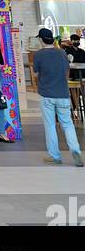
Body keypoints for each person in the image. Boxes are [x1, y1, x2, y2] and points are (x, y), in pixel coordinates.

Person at [33, 27, 84, 167]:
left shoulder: (39, 55)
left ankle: (55, 156)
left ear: (41, 39)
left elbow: (36, 75)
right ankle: (75, 150)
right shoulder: (62, 53)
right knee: (67, 124)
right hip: (62, 93)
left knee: (50, 125)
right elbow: (67, 72)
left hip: (46, 94)